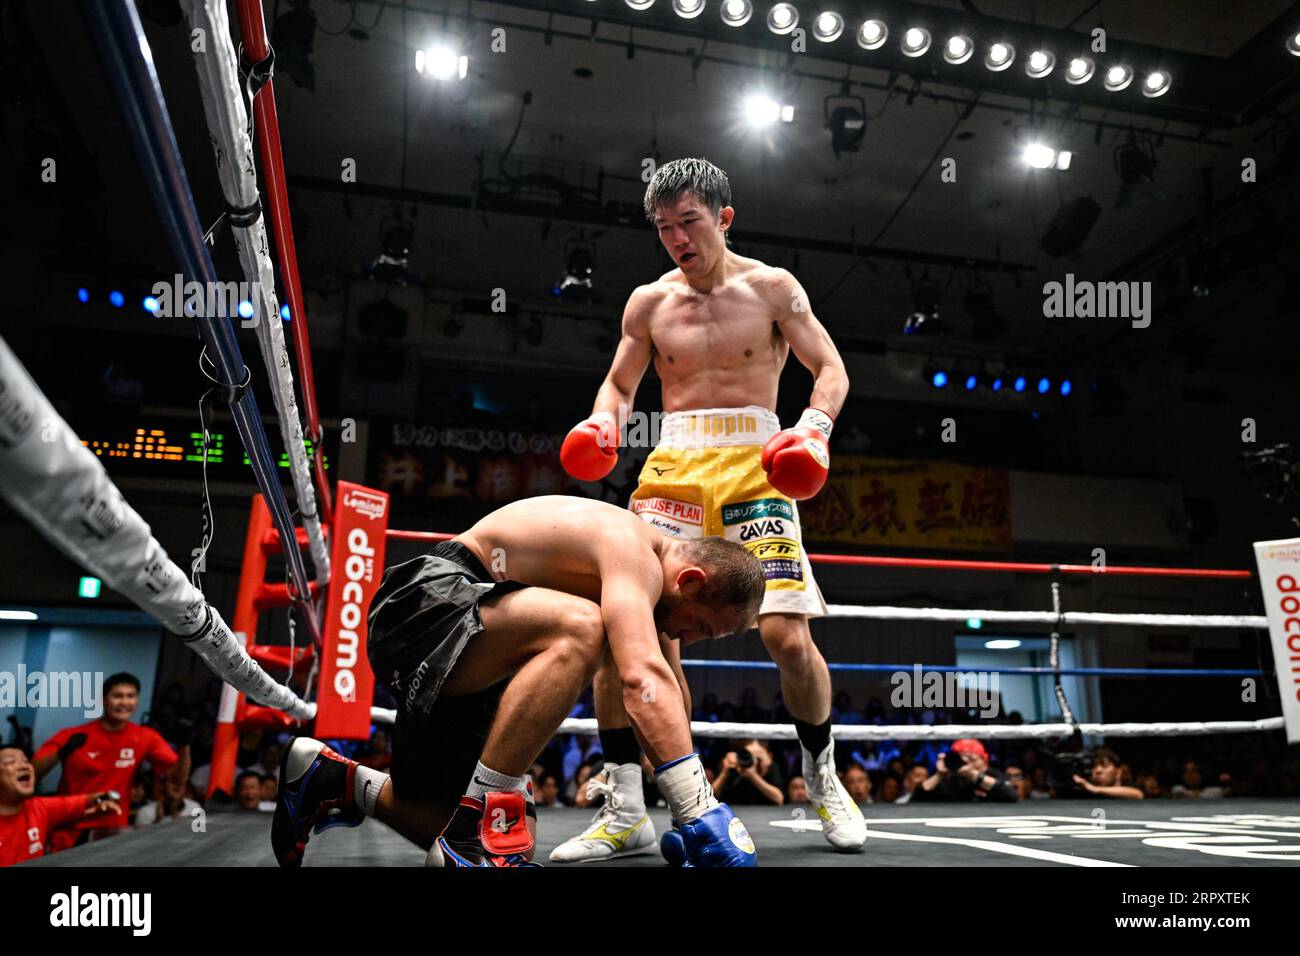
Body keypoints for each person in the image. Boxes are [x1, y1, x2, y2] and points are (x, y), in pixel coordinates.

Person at [554, 156, 862, 862]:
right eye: (663, 227)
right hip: (675, 465)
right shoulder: (647, 303)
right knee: (630, 633)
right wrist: (603, 422)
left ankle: (821, 776)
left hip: (758, 463)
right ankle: (630, 807)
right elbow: (619, 387)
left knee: (786, 636)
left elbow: (831, 369)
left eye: (688, 222)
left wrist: (813, 429)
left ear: (723, 218)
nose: (677, 239)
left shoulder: (773, 288)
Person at [273, 495, 765, 868]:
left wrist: (686, 818)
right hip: (429, 602)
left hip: (475, 655)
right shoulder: (632, 548)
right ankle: (471, 832)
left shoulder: (652, 598)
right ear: (690, 580)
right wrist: (700, 808)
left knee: (513, 838)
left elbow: (669, 690)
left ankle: (335, 779)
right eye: (703, 628)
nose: (688, 638)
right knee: (583, 627)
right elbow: (642, 678)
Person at [31, 672, 190, 850]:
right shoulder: (73, 735)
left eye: (130, 696)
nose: (124, 702)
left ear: (137, 701)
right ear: (104, 700)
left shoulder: (145, 737)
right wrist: (62, 752)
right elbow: (33, 773)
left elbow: (177, 779)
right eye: (117, 696)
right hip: (69, 829)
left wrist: (184, 745)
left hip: (112, 831)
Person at [0, 744, 122, 866]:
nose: (24, 766)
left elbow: (87, 800)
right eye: (10, 762)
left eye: (26, 761)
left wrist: (104, 800)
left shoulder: (39, 808)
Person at [912, 739, 1018, 803]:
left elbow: (1011, 794)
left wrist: (975, 775)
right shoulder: (949, 779)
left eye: (972, 759)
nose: (967, 764)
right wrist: (939, 775)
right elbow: (917, 799)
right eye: (962, 760)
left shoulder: (992, 775)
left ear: (984, 760)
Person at [713, 739, 785, 806]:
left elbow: (779, 799)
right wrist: (724, 772)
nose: (755, 762)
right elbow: (710, 798)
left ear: (769, 756)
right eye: (749, 756)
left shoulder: (772, 768)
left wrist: (753, 775)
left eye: (759, 759)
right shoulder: (734, 767)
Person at [1074, 747, 1144, 799]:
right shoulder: (1086, 794)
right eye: (1094, 766)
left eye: (1104, 765)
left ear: (1118, 772)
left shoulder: (1129, 791)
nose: (1098, 770)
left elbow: (1138, 795)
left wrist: (1095, 789)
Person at [134, 774, 202, 826]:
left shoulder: (194, 807)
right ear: (162, 785)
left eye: (181, 781)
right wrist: (157, 823)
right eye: (172, 781)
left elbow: (200, 836)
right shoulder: (146, 812)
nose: (177, 785)